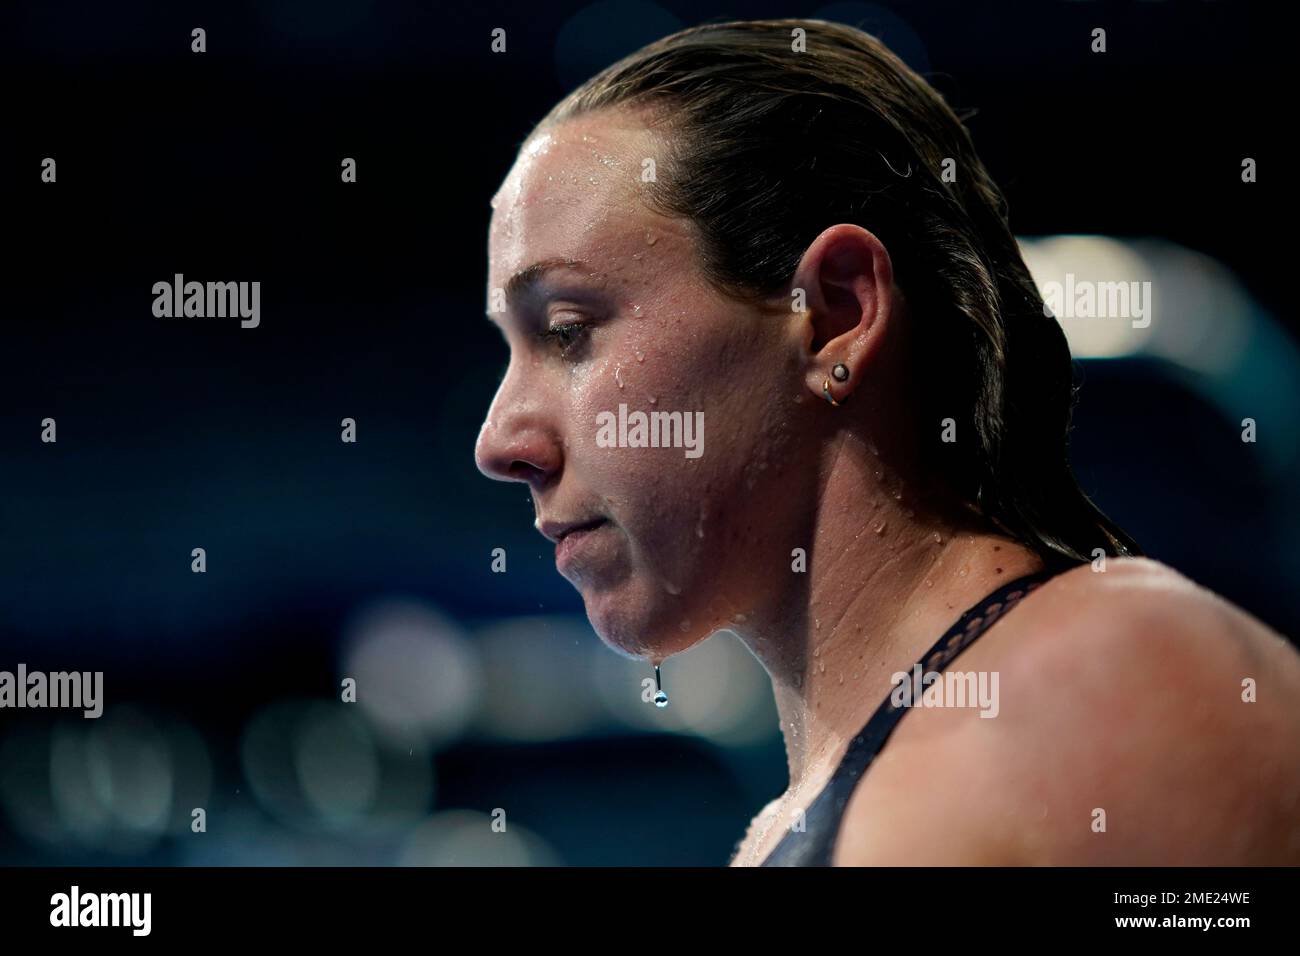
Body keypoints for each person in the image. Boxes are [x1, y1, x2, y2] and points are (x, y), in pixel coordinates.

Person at [474, 19, 1300, 865]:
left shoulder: (1104, 678)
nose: (498, 440)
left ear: (834, 315)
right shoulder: (792, 823)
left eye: (568, 331)